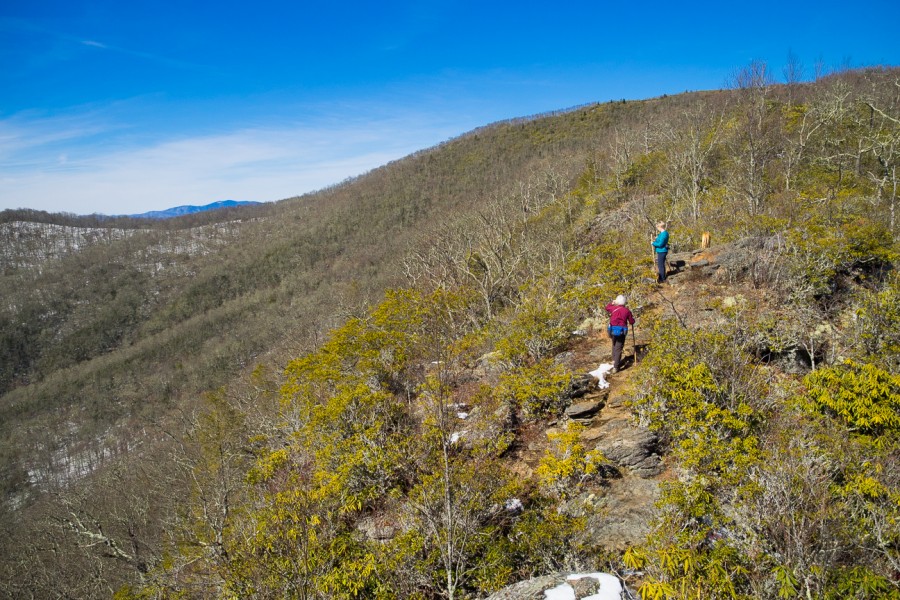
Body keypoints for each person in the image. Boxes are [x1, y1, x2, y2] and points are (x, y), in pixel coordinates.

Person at [605, 294, 635, 374]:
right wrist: (632, 320)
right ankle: (616, 367)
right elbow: (632, 321)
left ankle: (614, 360)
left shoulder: (613, 308)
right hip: (621, 331)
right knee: (618, 347)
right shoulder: (627, 311)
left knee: (614, 344)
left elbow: (607, 307)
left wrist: (612, 302)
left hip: (612, 330)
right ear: (624, 302)